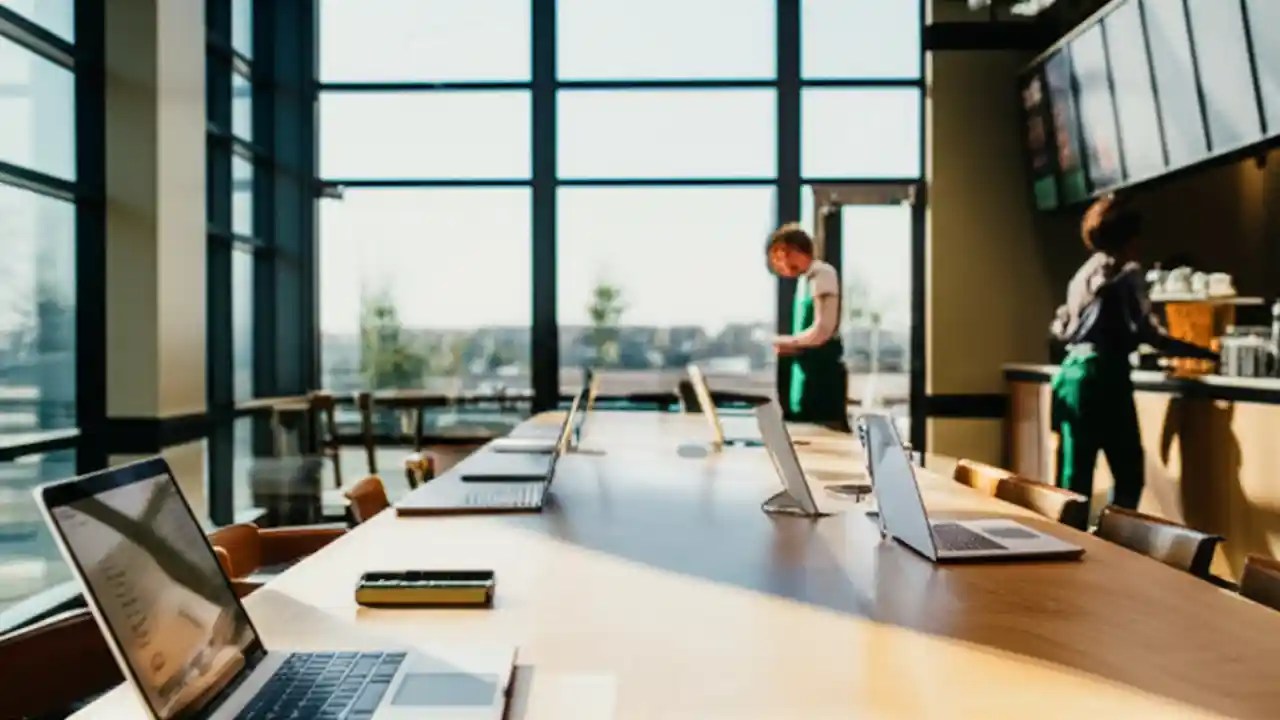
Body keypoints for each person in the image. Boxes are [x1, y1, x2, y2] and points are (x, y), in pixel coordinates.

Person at [1049, 195, 1216, 509]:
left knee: (1073, 481)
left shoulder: (1083, 274)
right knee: (1128, 475)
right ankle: (1114, 546)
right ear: (1129, 239)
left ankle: (1068, 544)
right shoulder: (1127, 274)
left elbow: (1061, 327)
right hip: (1104, 377)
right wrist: (1203, 354)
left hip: (1071, 375)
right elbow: (1150, 334)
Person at [766, 223, 850, 432]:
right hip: (805, 373)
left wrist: (787, 341)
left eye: (781, 254)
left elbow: (822, 330)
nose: (779, 263)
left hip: (821, 378)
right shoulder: (806, 280)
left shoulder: (822, 274)